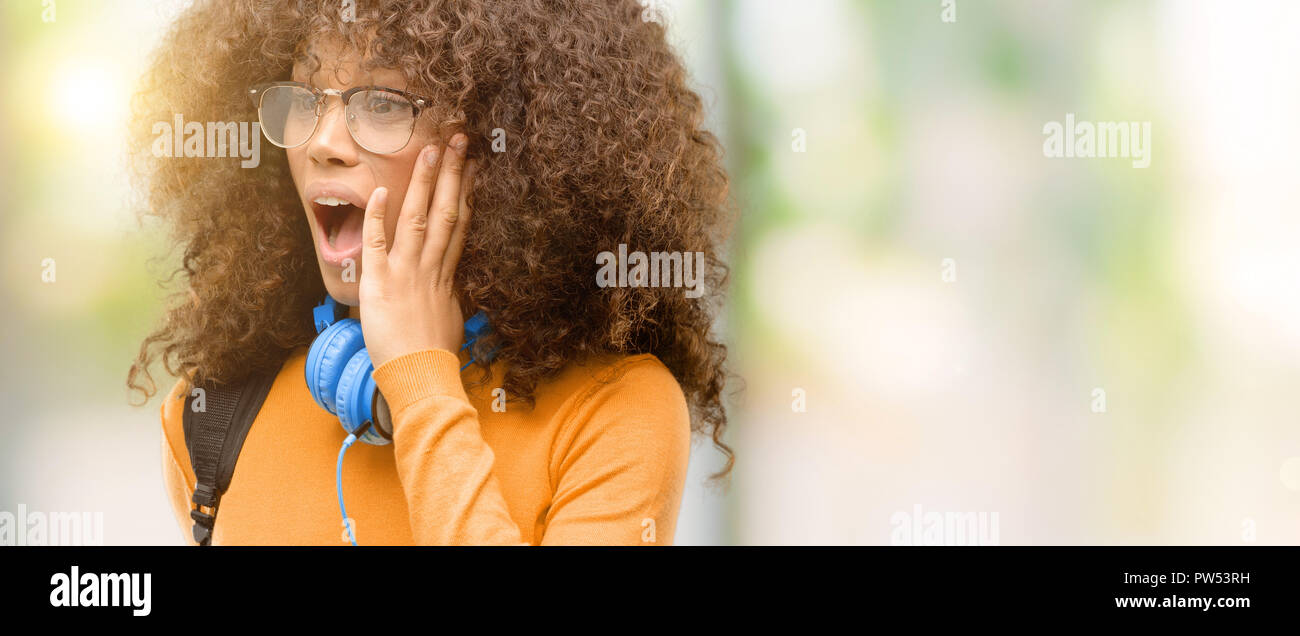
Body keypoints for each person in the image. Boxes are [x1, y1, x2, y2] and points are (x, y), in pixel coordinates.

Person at [126, 0, 734, 545]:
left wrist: (420, 384)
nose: (323, 143)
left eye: (384, 102)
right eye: (304, 97)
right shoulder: (213, 417)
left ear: (506, 145)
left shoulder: (616, 411)